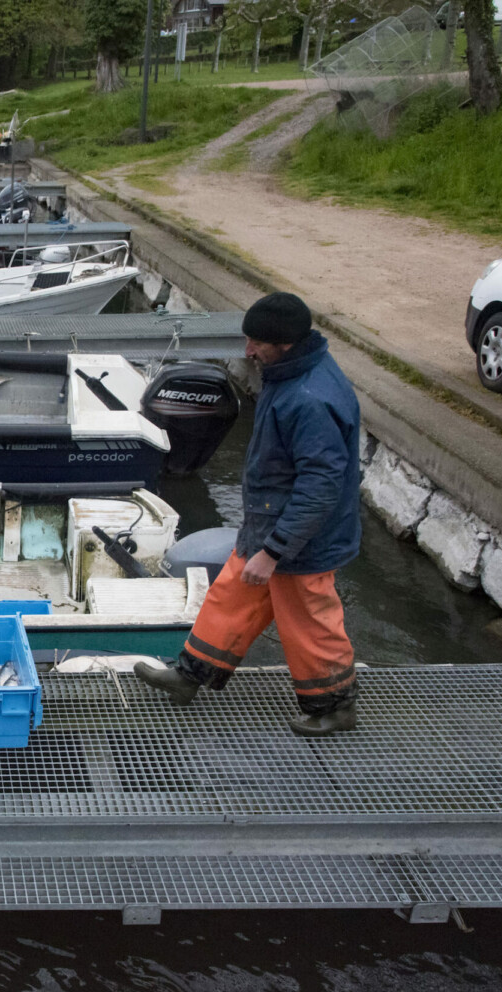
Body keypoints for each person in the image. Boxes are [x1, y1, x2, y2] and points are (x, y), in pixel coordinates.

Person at [137, 292, 363, 736]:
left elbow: (320, 488)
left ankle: (335, 707)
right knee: (231, 599)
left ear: (283, 344)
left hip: (300, 542)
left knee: (310, 624)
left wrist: (274, 552)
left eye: (256, 343)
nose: (247, 351)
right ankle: (188, 677)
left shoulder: (311, 399)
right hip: (270, 526)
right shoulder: (290, 374)